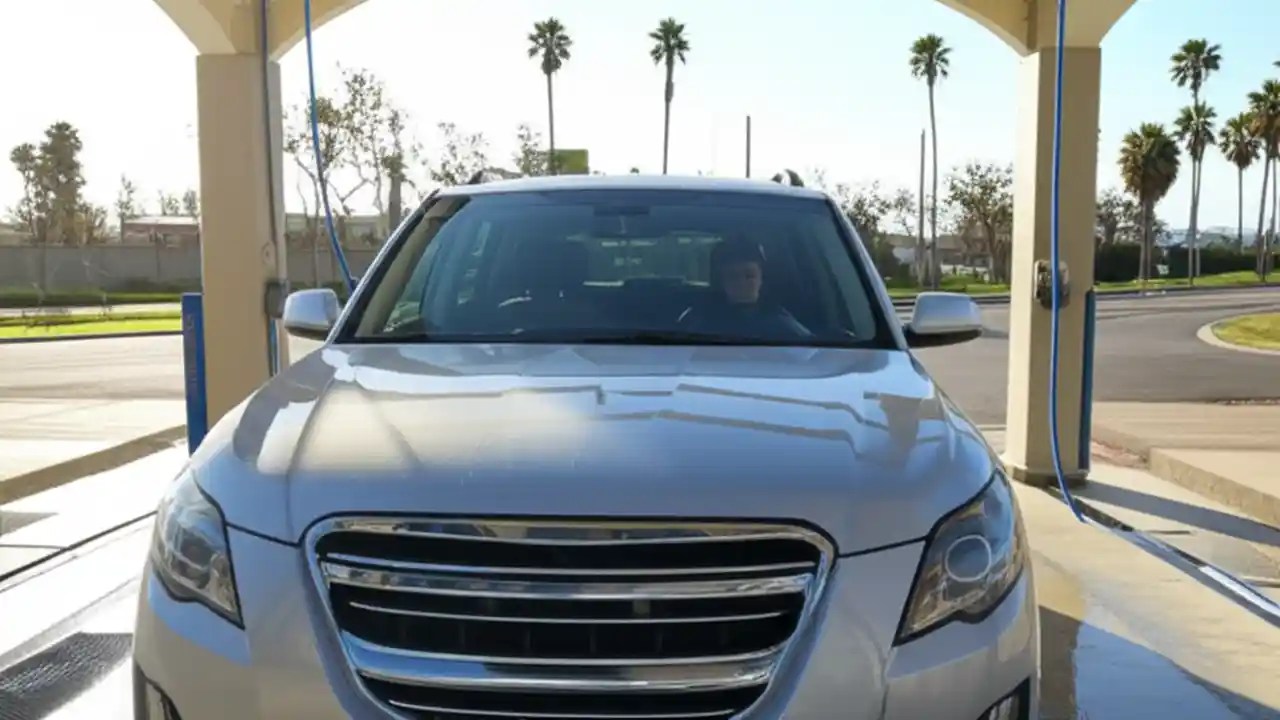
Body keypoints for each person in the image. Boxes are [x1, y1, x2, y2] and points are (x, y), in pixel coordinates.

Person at [678, 236, 811, 338]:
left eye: (749, 276)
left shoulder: (781, 322)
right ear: (720, 281)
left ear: (761, 279)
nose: (742, 283)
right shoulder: (698, 320)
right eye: (733, 276)